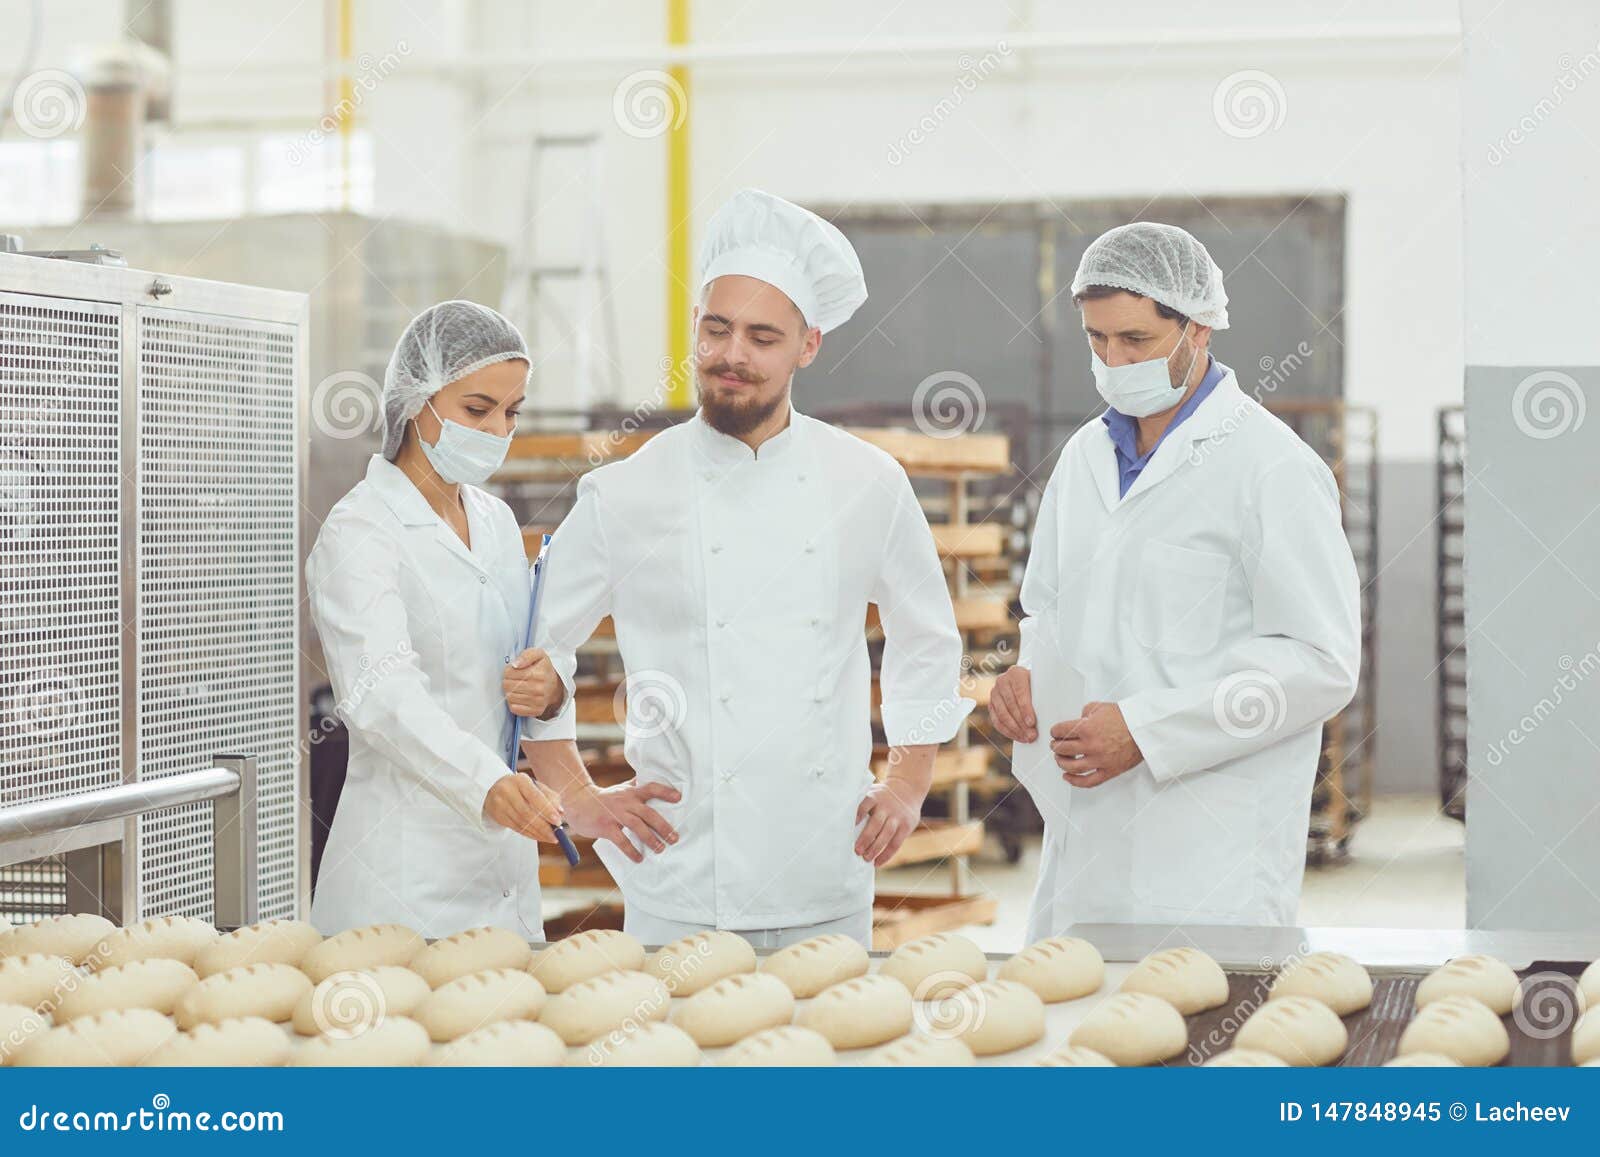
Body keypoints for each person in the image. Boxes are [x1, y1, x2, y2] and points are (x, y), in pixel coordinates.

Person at [523, 188, 973, 949]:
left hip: (824, 871)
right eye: (717, 329)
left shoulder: (866, 481)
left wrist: (909, 779)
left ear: (809, 346)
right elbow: (534, 649)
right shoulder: (625, 490)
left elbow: (927, 639)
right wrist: (572, 791)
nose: (733, 355)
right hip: (681, 876)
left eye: (763, 336)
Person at [989, 222, 1361, 941]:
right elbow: (1049, 610)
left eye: (1135, 341)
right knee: (1079, 1038)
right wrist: (1024, 674)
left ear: (1198, 330)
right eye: (1097, 341)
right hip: (1085, 855)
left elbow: (1322, 663)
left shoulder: (1270, 467)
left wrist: (1148, 729)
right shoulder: (1084, 458)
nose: (1112, 361)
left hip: (1208, 863)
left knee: (1204, 1039)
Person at [306, 301, 566, 938]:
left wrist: (553, 689)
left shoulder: (498, 521)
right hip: (403, 878)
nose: (498, 430)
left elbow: (528, 653)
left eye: (512, 412)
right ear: (414, 401)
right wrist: (487, 783)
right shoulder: (361, 529)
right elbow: (382, 695)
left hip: (504, 866)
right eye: (477, 410)